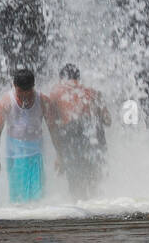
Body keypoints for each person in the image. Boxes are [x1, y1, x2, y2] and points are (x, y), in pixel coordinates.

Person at [0, 69, 58, 203]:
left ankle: (37, 221)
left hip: (36, 151)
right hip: (14, 153)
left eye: (28, 92)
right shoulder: (5, 102)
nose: (25, 96)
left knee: (38, 194)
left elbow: (53, 130)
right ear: (15, 86)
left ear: (33, 87)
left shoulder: (43, 101)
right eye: (21, 93)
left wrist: (59, 155)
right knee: (18, 196)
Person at [47, 64, 111, 198]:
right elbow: (107, 121)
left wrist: (59, 155)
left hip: (72, 129)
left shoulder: (56, 93)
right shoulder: (92, 92)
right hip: (94, 129)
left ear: (62, 79)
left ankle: (80, 210)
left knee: (76, 180)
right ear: (78, 78)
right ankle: (98, 209)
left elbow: (52, 126)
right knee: (95, 176)